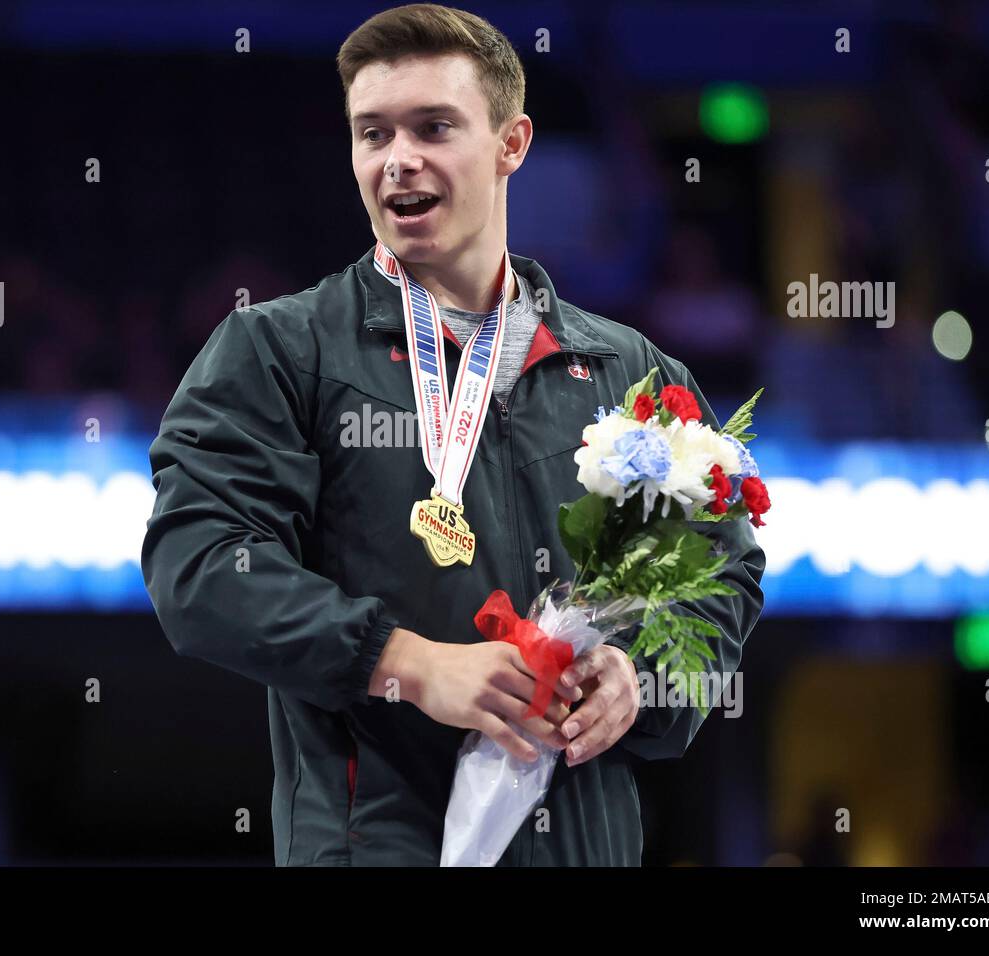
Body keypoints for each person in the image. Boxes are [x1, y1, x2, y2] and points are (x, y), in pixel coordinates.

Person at [142, 3, 765, 866]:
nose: (399, 160)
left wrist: (638, 677)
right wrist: (404, 661)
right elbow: (199, 566)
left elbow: (724, 571)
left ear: (512, 144)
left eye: (434, 127)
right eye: (373, 134)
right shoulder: (281, 352)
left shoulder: (629, 372)